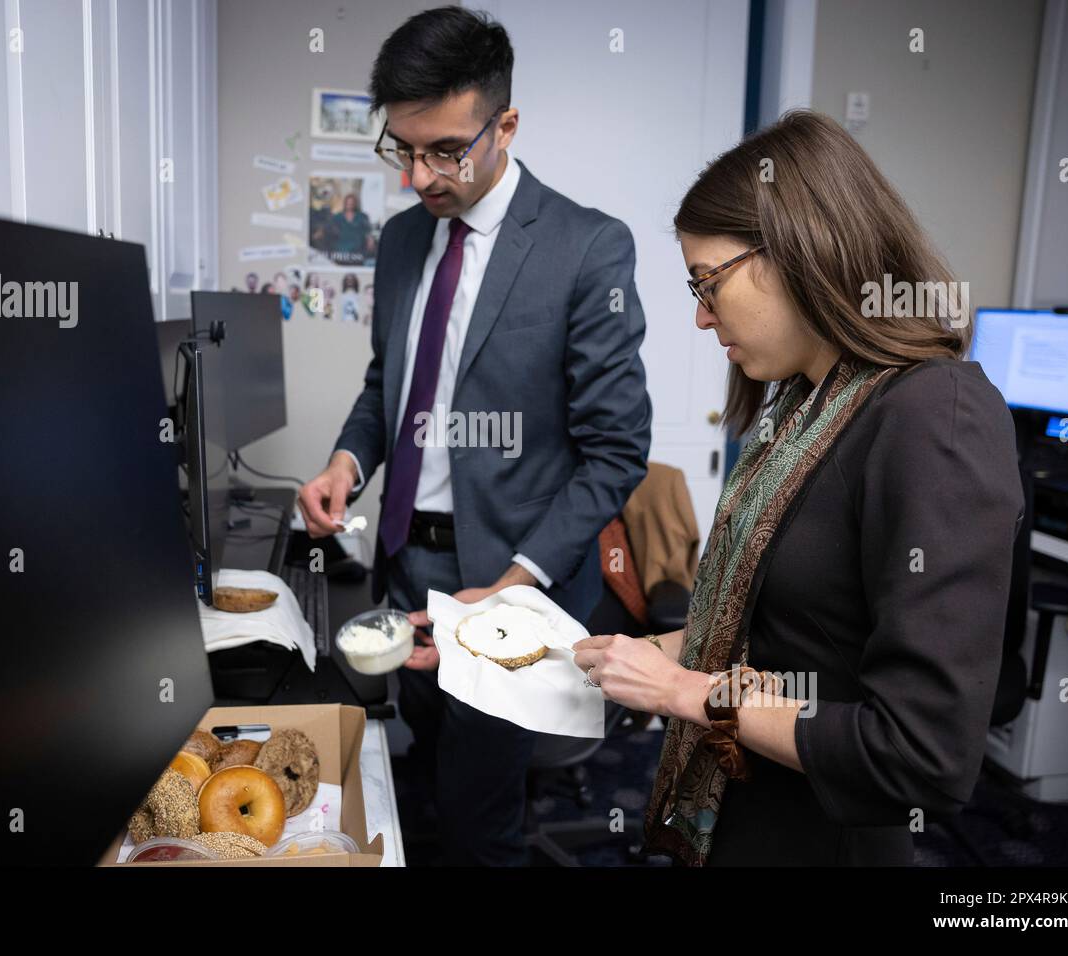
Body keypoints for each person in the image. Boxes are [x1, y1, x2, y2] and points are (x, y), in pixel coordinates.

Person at [574, 110, 1024, 866]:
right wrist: (620, 655)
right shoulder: (803, 407)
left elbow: (919, 751)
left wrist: (688, 695)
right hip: (750, 809)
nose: (699, 315)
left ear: (798, 252)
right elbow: (783, 630)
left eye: (708, 283)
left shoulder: (934, 414)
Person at [297, 6, 651, 865]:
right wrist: (348, 460)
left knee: (479, 825)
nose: (419, 176)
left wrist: (519, 582)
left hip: (508, 587)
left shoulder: (586, 248)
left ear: (506, 125)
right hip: (402, 567)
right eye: (403, 149)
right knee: (416, 778)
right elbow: (391, 385)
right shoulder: (404, 239)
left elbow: (616, 450)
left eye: (445, 150)